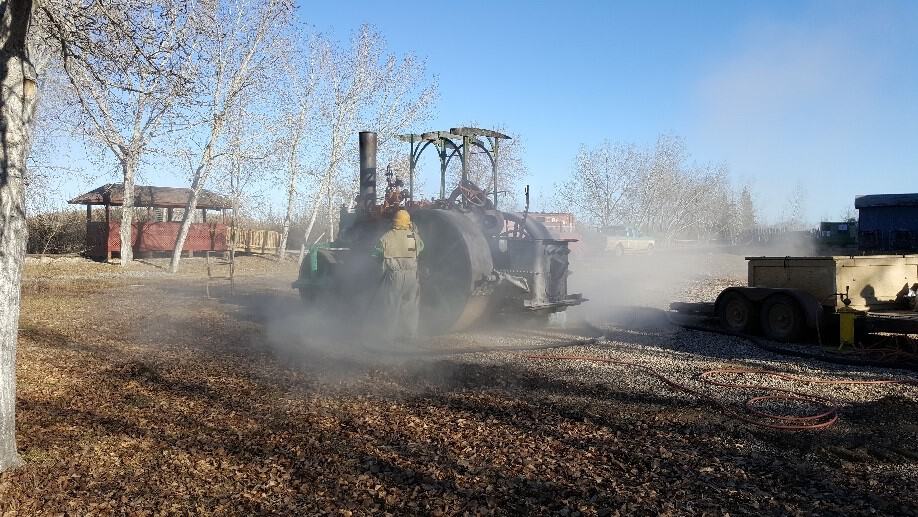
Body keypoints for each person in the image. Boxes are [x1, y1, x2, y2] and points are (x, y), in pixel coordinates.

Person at [372, 209, 424, 341]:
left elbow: (376, 253)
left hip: (394, 276)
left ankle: (388, 337)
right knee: (410, 306)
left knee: (391, 306)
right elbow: (422, 247)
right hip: (412, 276)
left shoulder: (386, 237)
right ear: (408, 222)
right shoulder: (414, 236)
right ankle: (409, 336)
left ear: (394, 221)